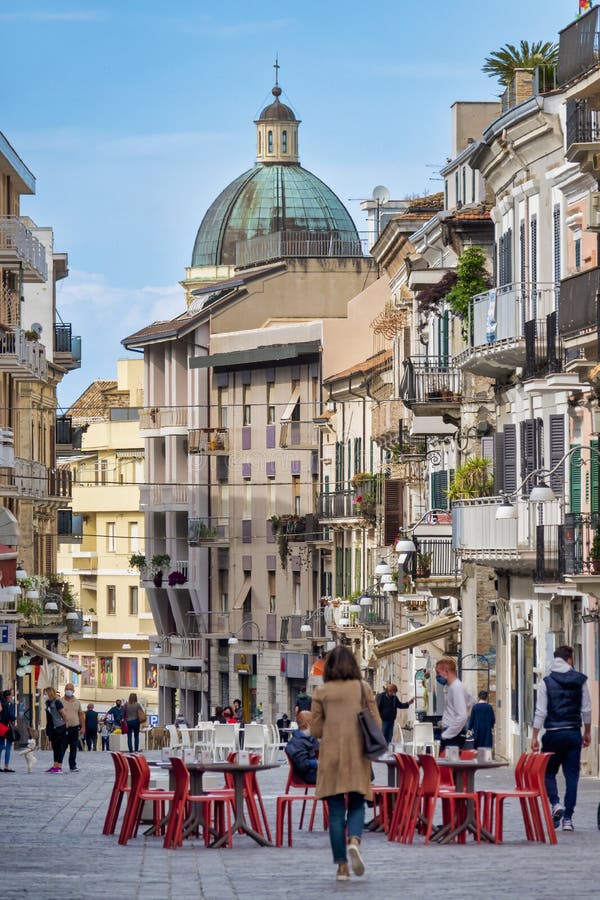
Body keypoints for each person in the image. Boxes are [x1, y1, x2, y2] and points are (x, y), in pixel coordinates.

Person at [311, 645, 380, 882]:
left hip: (331, 757)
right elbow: (377, 724)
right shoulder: (363, 688)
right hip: (358, 755)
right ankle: (354, 841)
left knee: (337, 811)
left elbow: (316, 730)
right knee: (358, 802)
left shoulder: (321, 692)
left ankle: (341, 866)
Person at [532, 645, 591, 832]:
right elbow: (587, 709)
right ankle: (567, 819)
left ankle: (556, 804)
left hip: (553, 734)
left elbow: (540, 712)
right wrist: (587, 732)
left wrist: (534, 736)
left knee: (548, 772)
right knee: (572, 777)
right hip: (573, 733)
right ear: (570, 659)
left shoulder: (545, 683)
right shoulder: (580, 681)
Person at [435, 657, 468, 751]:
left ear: (446, 671)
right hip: (450, 732)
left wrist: (448, 733)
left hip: (453, 735)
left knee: (448, 763)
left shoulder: (456, 688)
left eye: (438, 673)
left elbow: (462, 716)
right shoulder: (452, 687)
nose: (437, 676)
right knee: (444, 763)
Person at [285, 710, 319, 784]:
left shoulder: (311, 738)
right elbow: (302, 764)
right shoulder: (296, 742)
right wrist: (318, 762)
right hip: (310, 774)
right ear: (306, 725)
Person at [44, 687, 68, 773]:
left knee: (60, 747)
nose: (44, 695)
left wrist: (65, 725)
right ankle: (55, 765)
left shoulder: (57, 702)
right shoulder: (48, 703)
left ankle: (59, 766)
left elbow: (64, 714)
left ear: (50, 693)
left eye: (45, 693)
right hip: (52, 727)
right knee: (54, 747)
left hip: (59, 727)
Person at [62, 682, 85, 772]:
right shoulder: (60, 701)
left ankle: (72, 765)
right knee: (62, 746)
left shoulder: (77, 702)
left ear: (73, 691)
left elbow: (81, 715)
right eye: (67, 689)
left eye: (70, 689)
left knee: (73, 747)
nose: (68, 691)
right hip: (64, 728)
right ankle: (58, 764)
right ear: (64, 690)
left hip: (75, 727)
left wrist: (83, 727)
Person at [0, 689, 17, 771]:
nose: (12, 696)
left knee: (0, 746)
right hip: (7, 727)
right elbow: (11, 716)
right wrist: (14, 717)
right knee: (8, 746)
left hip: (1, 726)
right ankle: (6, 766)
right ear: (8, 696)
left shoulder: (1, 704)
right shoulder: (9, 704)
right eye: (11, 695)